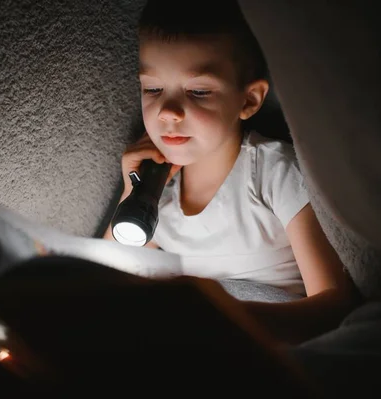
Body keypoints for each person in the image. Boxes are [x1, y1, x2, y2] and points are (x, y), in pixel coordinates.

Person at [103, 0, 358, 345]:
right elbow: (107, 279)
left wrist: (224, 322)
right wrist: (130, 194)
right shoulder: (157, 194)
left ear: (249, 100)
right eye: (153, 89)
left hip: (270, 335)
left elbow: (334, 307)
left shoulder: (273, 171)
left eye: (198, 91)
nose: (168, 111)